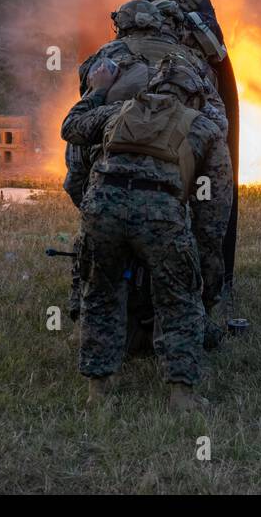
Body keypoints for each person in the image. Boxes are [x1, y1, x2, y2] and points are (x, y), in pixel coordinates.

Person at [60, 54, 223, 411]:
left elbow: (71, 127)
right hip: (161, 215)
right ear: (194, 96)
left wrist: (96, 91)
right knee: (179, 300)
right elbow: (215, 207)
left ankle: (98, 392)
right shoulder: (204, 127)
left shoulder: (117, 111)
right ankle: (182, 395)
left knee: (101, 294)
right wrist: (208, 262)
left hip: (103, 207)